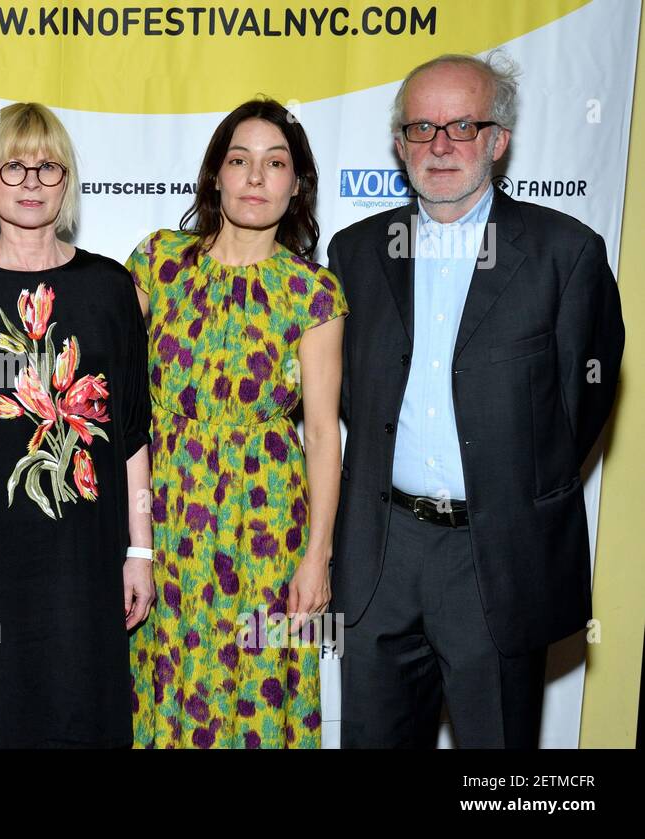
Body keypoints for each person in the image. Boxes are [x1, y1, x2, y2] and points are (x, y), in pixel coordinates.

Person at [327, 52, 625, 748]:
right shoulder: (356, 253)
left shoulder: (565, 253)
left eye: (462, 125)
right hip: (382, 557)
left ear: (498, 140)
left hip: (497, 559)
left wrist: (508, 483)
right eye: (421, 127)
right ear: (399, 144)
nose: (440, 145)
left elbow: (585, 399)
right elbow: (347, 396)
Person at [0, 102, 154, 748]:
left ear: (67, 181)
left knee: (86, 721)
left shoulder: (108, 287)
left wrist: (141, 550)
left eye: (49, 167)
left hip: (87, 567)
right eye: (15, 166)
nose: (33, 181)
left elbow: (130, 432)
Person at [128, 99, 347, 749]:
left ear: (296, 182)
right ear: (216, 175)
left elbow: (322, 435)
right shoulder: (160, 262)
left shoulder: (313, 292)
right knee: (164, 676)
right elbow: (101, 383)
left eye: (275, 163)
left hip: (266, 526)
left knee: (255, 690)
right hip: (163, 514)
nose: (256, 177)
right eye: (240, 160)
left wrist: (318, 555)